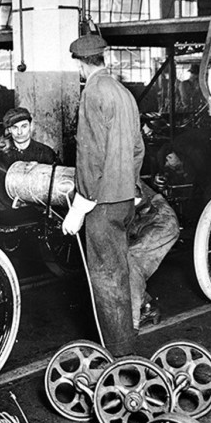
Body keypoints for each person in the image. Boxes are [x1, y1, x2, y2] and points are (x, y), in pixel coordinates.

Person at [62, 34, 146, 355]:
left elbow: (90, 153)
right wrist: (133, 188)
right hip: (124, 199)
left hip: (102, 203)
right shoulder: (124, 93)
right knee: (119, 271)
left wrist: (79, 206)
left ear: (82, 64)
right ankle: (124, 344)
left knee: (106, 279)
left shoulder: (93, 93)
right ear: (103, 58)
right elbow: (138, 148)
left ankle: (121, 358)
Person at [126, 179, 178, 328]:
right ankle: (148, 308)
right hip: (140, 221)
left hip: (161, 221)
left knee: (130, 259)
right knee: (117, 258)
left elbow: (139, 200)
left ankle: (132, 322)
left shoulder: (115, 171)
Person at [0, 106, 58, 211]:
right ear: (9, 130)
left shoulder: (45, 153)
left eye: (24, 126)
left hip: (39, 210)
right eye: (15, 127)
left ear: (31, 126)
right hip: (10, 209)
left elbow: (57, 188)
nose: (19, 132)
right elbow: (2, 192)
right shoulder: (4, 155)